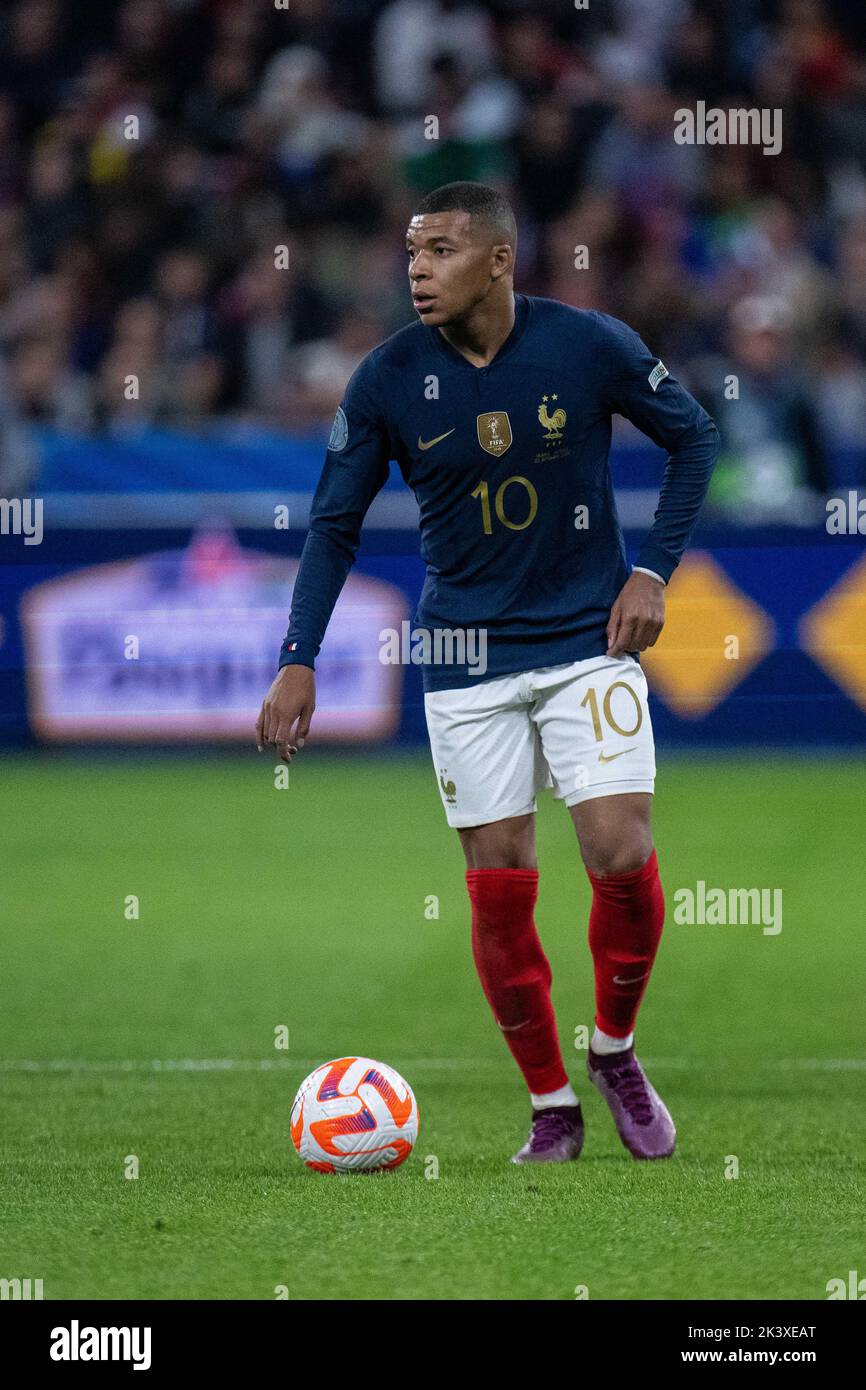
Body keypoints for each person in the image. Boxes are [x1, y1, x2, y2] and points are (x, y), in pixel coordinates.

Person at [256, 181, 720, 1164]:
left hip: (583, 641)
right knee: (497, 880)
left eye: (438, 250)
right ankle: (550, 1102)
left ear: (498, 259)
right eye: (410, 252)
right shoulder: (385, 379)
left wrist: (649, 570)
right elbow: (332, 524)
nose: (415, 269)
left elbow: (693, 435)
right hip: (464, 660)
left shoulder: (586, 344)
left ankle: (617, 1052)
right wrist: (297, 659)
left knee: (617, 852)